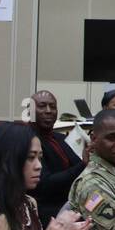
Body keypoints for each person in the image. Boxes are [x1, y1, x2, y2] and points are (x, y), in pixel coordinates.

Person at [27, 90, 87, 221]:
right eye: (42, 106)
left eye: (53, 107)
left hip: (72, 202)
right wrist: (83, 164)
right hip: (46, 208)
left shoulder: (61, 138)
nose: (48, 111)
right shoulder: (27, 141)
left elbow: (81, 170)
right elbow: (45, 185)